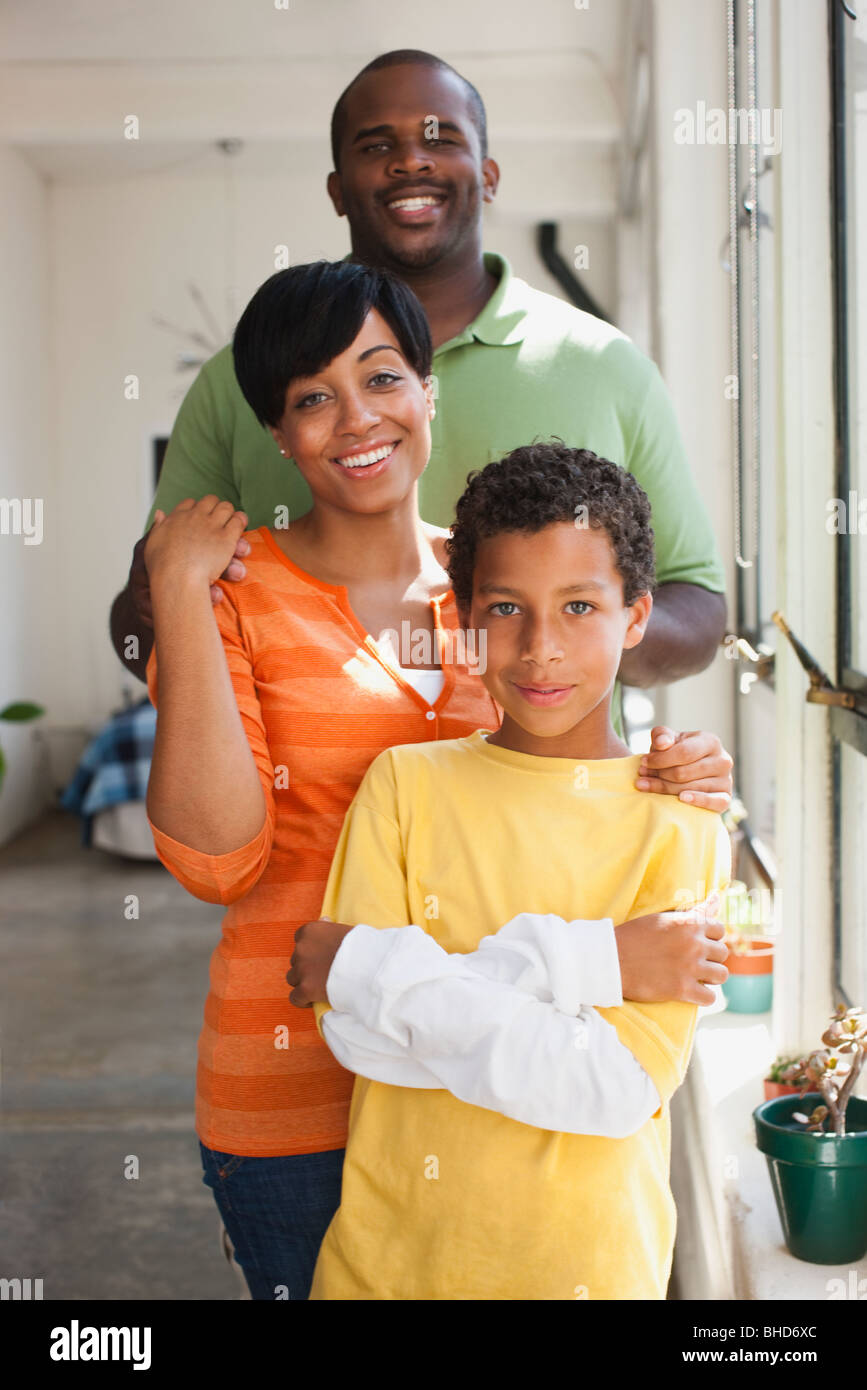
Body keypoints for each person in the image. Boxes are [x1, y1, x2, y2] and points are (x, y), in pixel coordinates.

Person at [143, 262, 731, 1301]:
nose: (355, 417)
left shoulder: (504, 582)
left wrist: (668, 765)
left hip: (500, 1095)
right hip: (289, 1098)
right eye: (311, 397)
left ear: (428, 390)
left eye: (381, 377)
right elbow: (217, 858)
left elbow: (558, 779)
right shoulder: (237, 599)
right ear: (278, 435)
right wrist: (179, 590)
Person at [110, 47, 727, 740]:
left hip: (534, 821)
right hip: (308, 825)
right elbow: (142, 627)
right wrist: (161, 591)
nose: (410, 161)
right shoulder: (236, 379)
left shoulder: (603, 363)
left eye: (441, 138)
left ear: (488, 176)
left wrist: (565, 630)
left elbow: (697, 605)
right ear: (338, 189)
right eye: (376, 145)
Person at [296, 445, 730, 1300]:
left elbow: (611, 1089)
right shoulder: (404, 786)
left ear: (635, 616)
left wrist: (390, 980)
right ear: (460, 618)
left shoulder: (677, 815)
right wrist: (592, 964)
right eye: (504, 608)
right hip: (387, 1269)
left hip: (585, 1271)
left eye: (578, 607)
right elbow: (357, 1039)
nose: (539, 648)